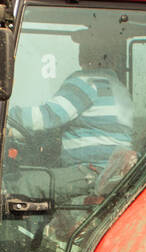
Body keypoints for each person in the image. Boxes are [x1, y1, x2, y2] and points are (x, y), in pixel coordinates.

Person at [5, 19, 136, 205]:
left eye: (88, 45)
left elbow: (50, 115)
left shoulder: (88, 83)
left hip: (92, 170)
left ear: (101, 52)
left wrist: (7, 121)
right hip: (107, 169)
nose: (81, 50)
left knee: (20, 184)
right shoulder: (117, 87)